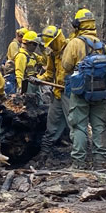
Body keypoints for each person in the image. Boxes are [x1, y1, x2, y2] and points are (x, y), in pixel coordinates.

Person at [61, 8, 106, 168]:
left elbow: (66, 65)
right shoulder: (103, 45)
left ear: (77, 24)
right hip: (101, 92)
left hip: (80, 92)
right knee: (99, 126)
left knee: (79, 126)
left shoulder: (75, 43)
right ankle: (100, 160)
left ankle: (79, 162)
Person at [35, 25, 70, 157]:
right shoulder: (52, 55)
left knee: (75, 125)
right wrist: (38, 79)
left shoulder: (71, 48)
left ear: (57, 39)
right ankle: (45, 153)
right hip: (57, 93)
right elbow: (49, 73)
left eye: (51, 44)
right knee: (52, 123)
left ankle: (82, 155)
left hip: (70, 93)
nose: (50, 47)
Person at [14, 30, 45, 95]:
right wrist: (21, 88)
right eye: (35, 44)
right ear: (28, 43)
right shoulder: (21, 56)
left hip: (34, 83)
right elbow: (19, 73)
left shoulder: (33, 55)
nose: (36, 46)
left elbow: (45, 62)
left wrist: (43, 50)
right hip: (27, 86)